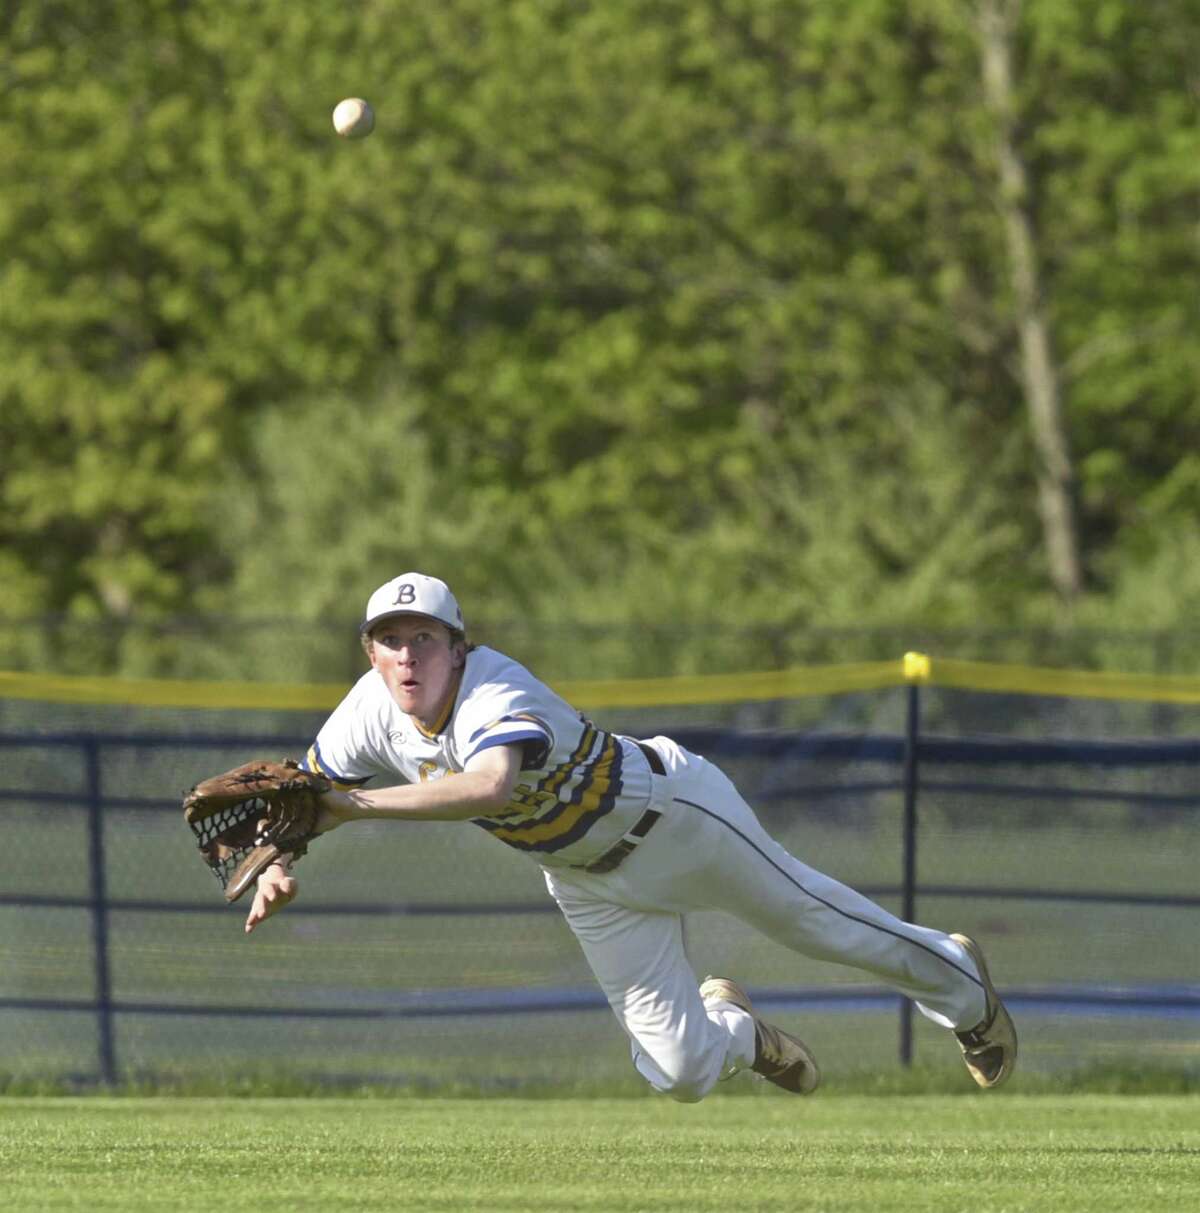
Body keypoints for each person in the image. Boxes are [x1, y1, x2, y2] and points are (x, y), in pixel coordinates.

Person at [247, 572, 1017, 1100]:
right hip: (585, 880)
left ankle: (962, 989)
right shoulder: (368, 708)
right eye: (390, 639)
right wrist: (279, 856)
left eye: (424, 636)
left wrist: (354, 807)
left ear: (458, 646)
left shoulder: (494, 688)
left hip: (674, 819)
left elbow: (489, 786)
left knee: (816, 923)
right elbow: (304, 794)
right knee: (678, 1073)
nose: (407, 654)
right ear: (370, 652)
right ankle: (742, 1036)